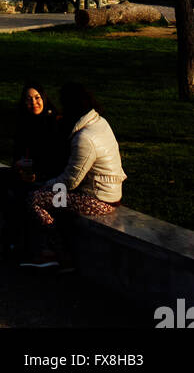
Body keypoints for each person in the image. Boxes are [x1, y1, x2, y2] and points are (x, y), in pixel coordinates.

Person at [22, 83, 126, 269]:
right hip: (108, 192)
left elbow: (70, 181)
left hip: (97, 198)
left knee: (36, 198)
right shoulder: (98, 122)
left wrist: (46, 185)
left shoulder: (85, 137)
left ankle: (57, 254)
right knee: (51, 197)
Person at [0, 83, 66, 262]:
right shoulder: (23, 123)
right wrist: (18, 165)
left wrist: (37, 172)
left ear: (44, 98)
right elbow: (16, 154)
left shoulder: (54, 122)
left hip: (49, 177)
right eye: (29, 99)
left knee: (23, 195)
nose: (34, 102)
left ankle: (5, 241)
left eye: (37, 98)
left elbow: (57, 160)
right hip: (25, 172)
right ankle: (13, 225)